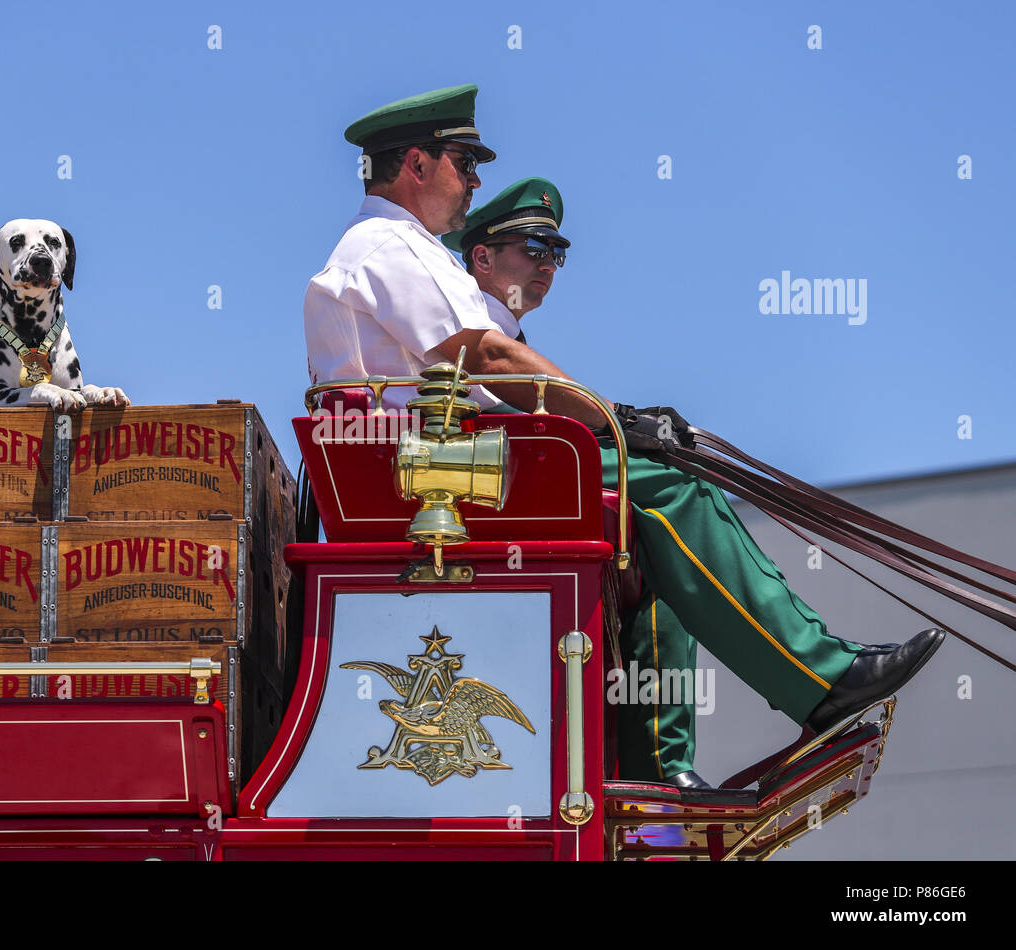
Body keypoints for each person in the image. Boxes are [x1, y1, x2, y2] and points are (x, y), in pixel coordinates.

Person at [303, 87, 944, 789]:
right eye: (466, 161)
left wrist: (619, 421)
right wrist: (616, 418)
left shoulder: (395, 248)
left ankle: (658, 771)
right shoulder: (389, 246)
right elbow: (485, 357)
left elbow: (487, 366)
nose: (476, 180)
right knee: (671, 489)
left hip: (440, 478)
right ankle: (821, 681)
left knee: (654, 546)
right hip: (431, 490)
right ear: (417, 164)